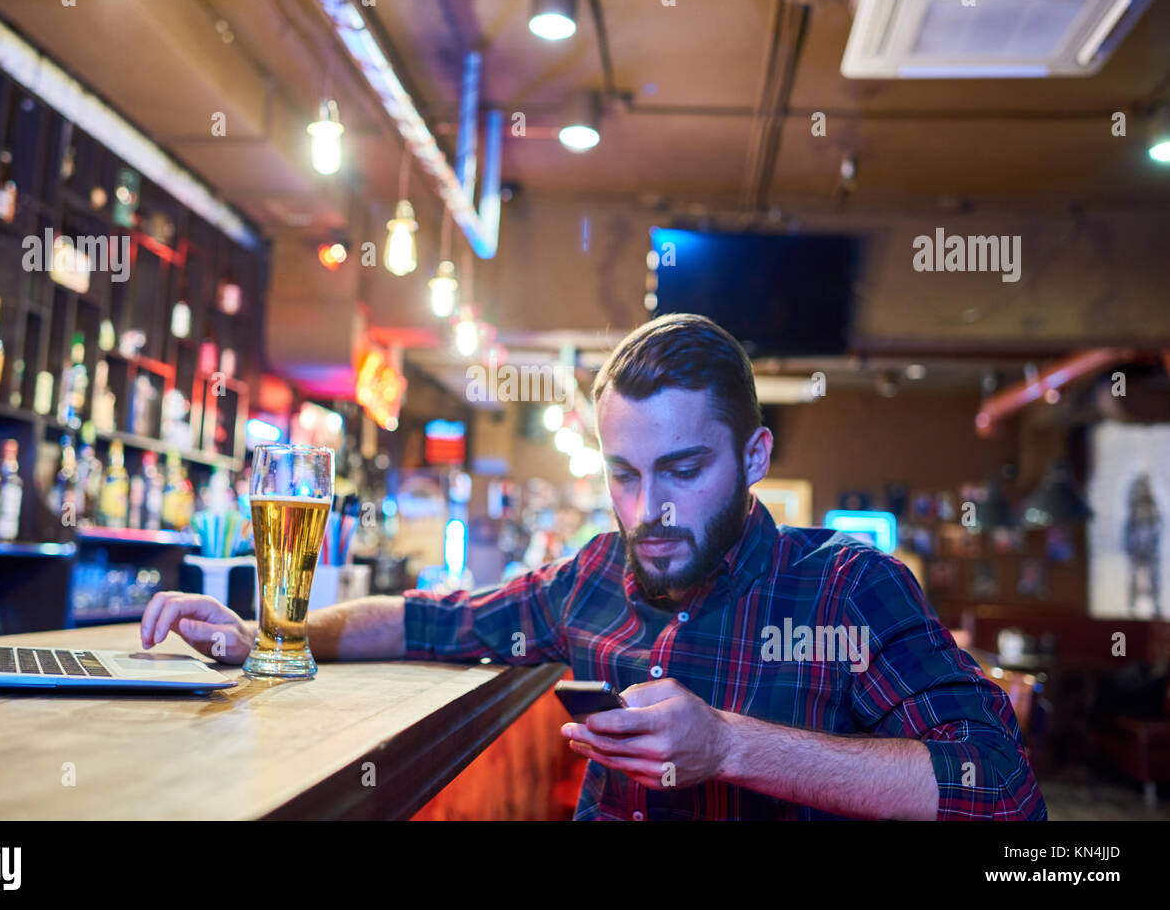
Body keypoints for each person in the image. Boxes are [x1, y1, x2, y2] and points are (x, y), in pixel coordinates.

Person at [140, 313, 1046, 821]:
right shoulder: (591, 578)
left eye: (685, 470)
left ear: (755, 455)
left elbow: (999, 786)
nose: (648, 509)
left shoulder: (846, 586)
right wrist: (271, 636)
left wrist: (730, 745)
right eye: (624, 473)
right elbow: (426, 619)